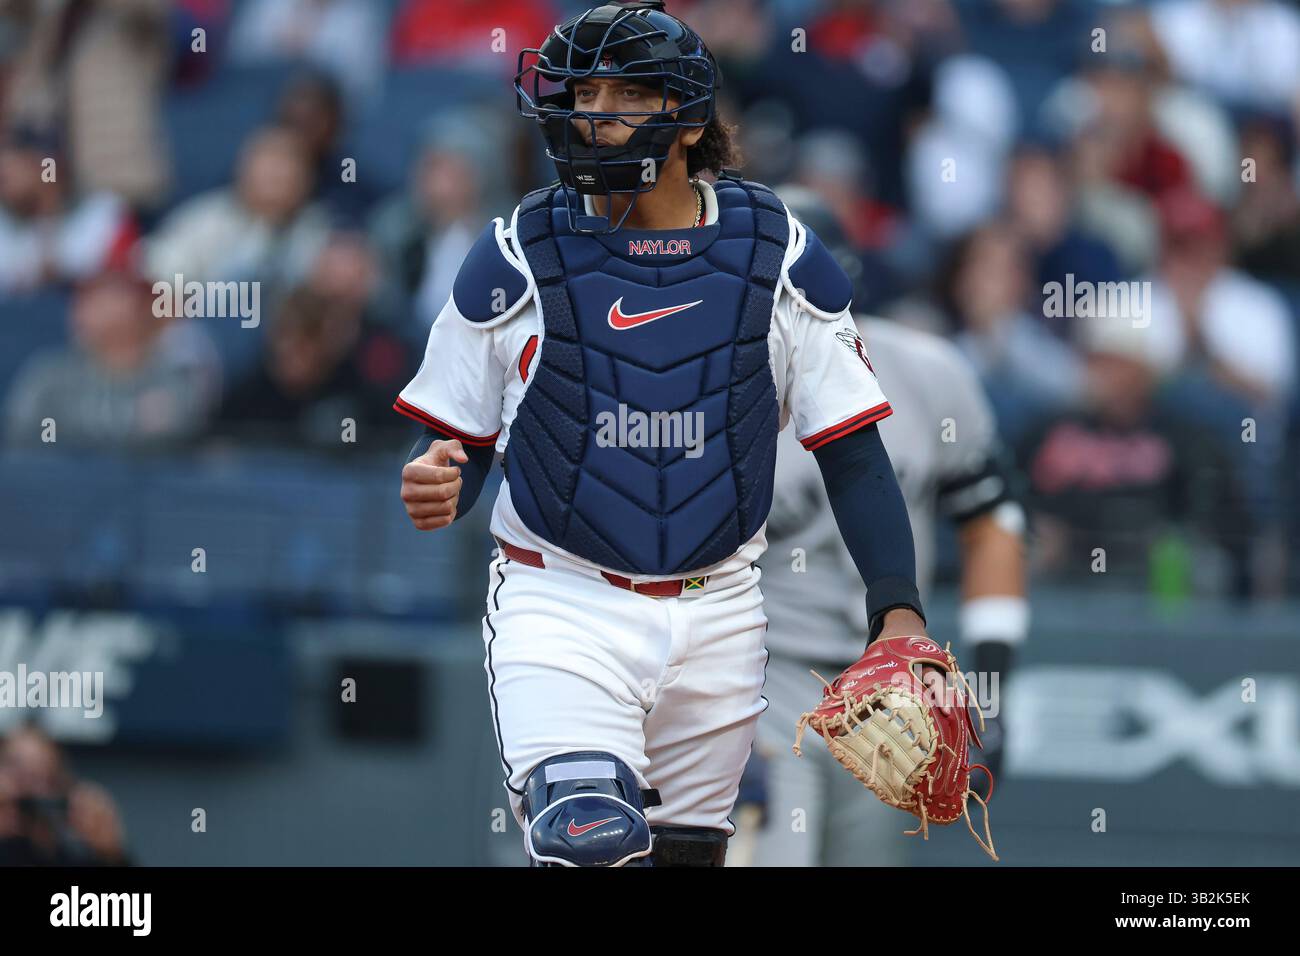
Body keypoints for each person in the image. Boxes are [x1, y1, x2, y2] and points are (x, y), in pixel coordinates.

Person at [394, 1, 927, 867]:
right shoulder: (517, 253)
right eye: (580, 92)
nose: (589, 113)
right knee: (592, 842)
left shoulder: (776, 252)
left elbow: (853, 453)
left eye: (621, 94)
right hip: (560, 600)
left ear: (683, 121)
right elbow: (460, 446)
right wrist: (437, 479)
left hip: (719, 610)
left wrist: (897, 611)